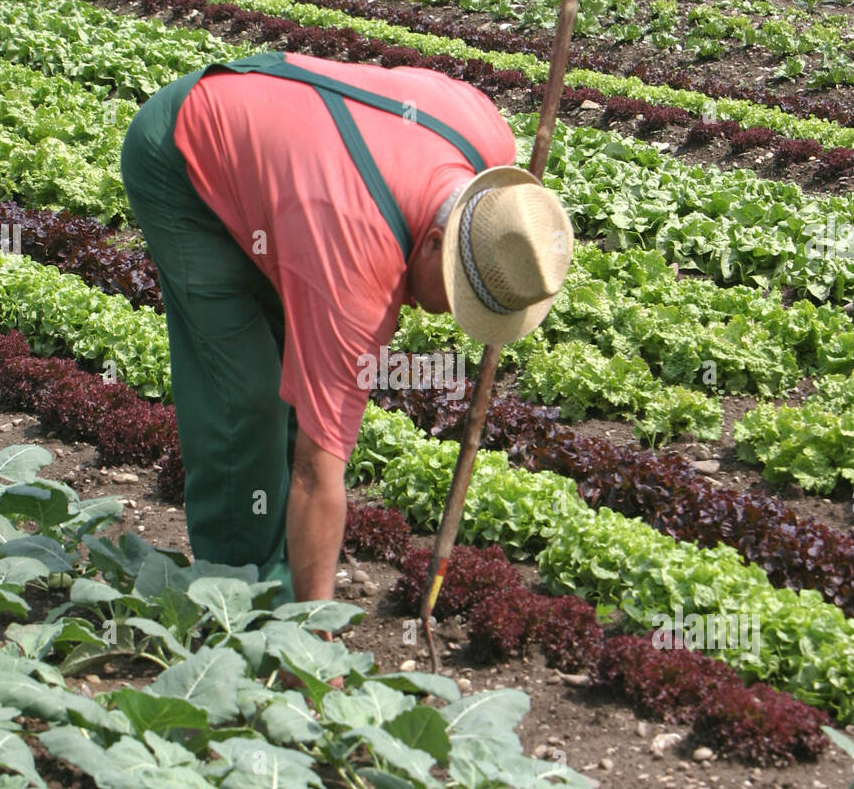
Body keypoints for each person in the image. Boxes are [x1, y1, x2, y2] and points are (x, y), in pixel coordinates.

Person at [120, 50, 573, 604]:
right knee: (246, 393)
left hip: (287, 167)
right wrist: (316, 639)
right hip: (183, 153)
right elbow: (318, 474)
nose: (448, 316)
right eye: (454, 294)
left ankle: (286, 554)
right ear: (432, 243)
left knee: (294, 365)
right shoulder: (356, 270)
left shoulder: (487, 141)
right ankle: (241, 595)